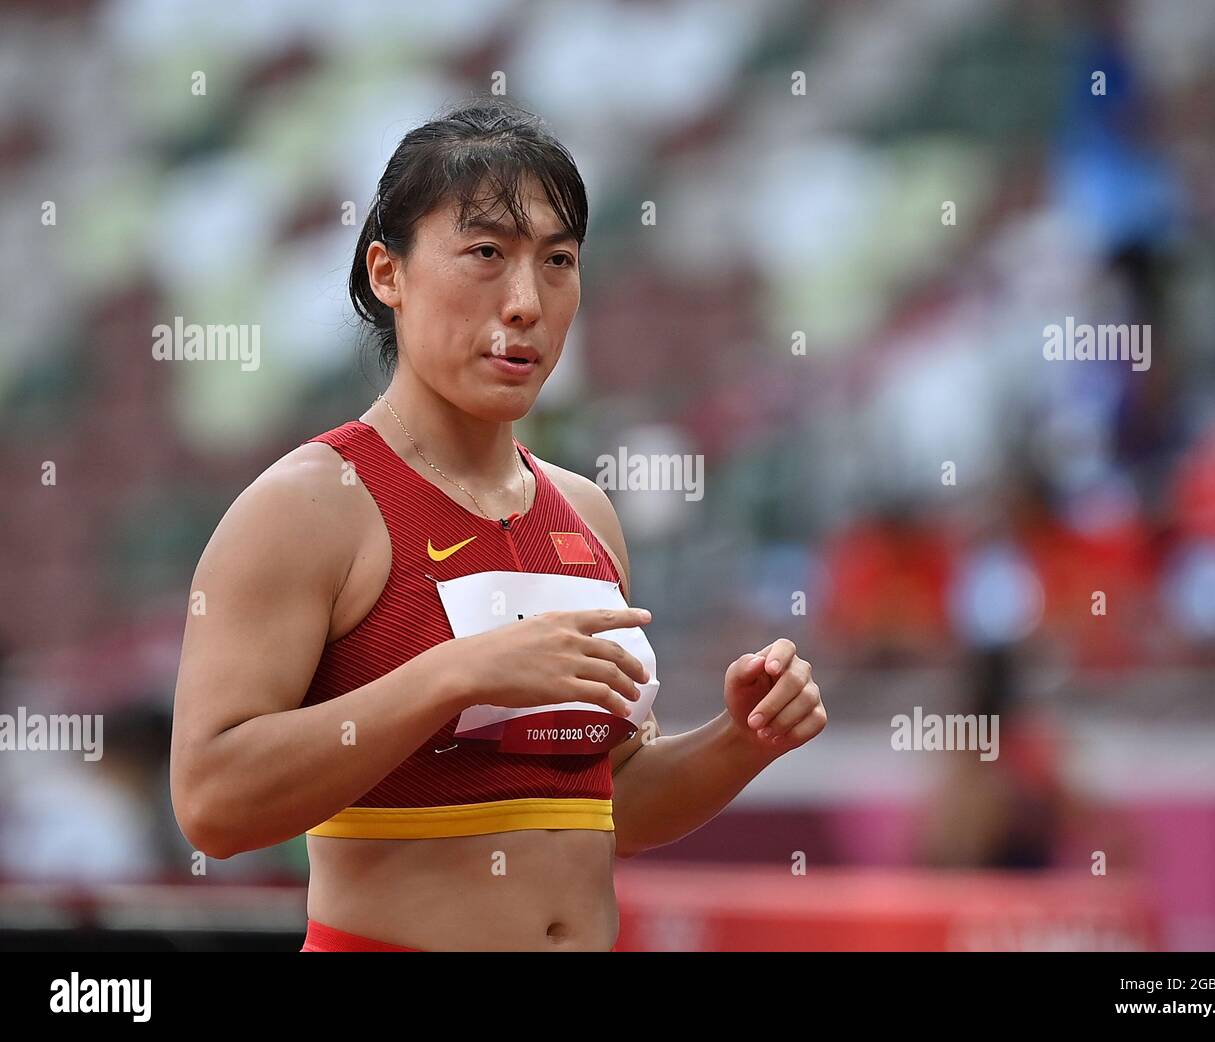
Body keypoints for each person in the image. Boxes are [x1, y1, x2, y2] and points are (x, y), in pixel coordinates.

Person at [169, 98, 827, 952]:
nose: (525, 302)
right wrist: (455, 675)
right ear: (387, 272)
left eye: (558, 261)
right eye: (486, 254)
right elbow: (211, 806)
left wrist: (742, 740)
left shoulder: (584, 513)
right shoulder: (310, 505)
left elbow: (607, 803)